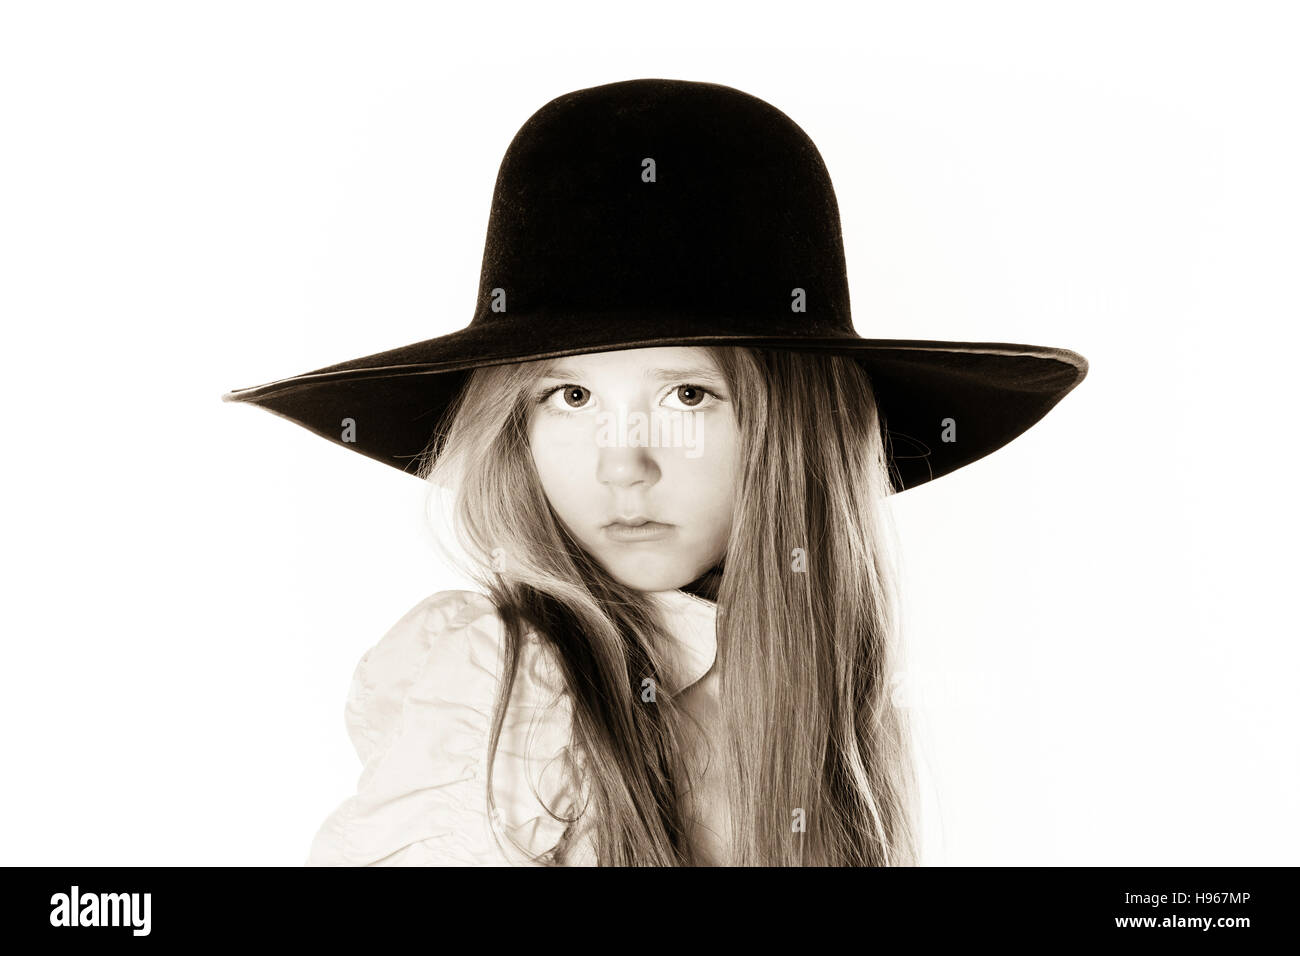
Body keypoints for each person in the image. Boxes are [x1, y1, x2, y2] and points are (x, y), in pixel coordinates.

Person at [223, 78, 1088, 866]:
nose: (622, 464)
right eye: (569, 395)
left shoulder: (835, 716)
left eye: (685, 395)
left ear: (791, 432)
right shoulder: (507, 682)